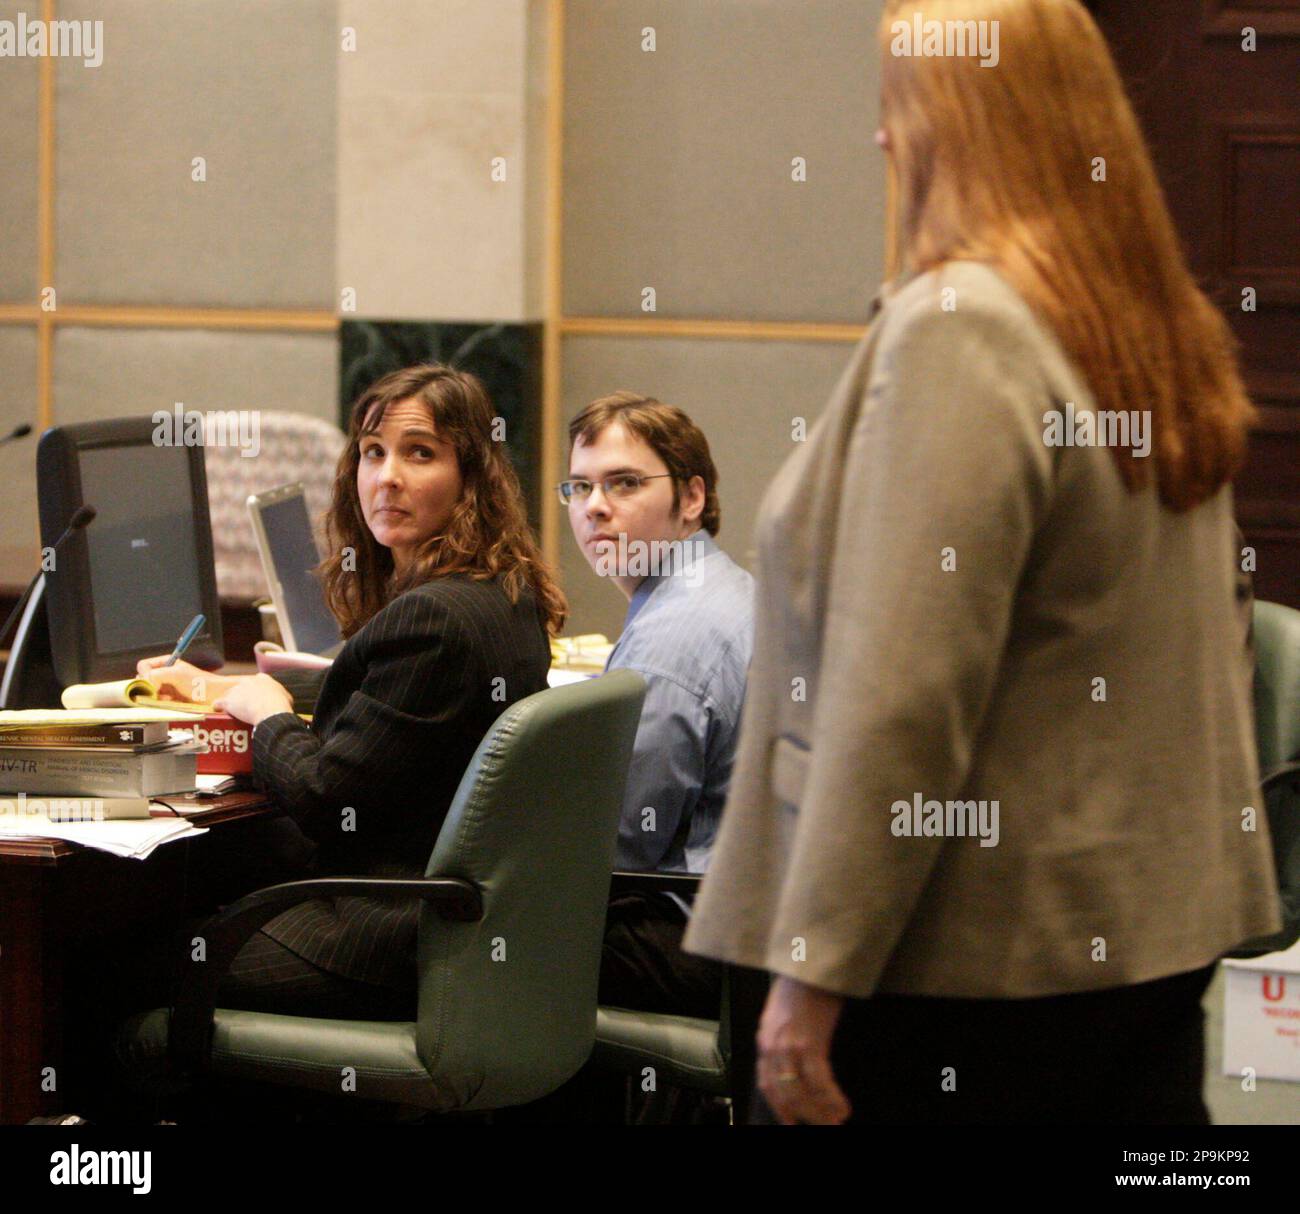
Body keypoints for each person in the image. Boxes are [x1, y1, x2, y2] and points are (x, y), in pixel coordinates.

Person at [683, 0, 1280, 1125]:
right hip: (1132, 938)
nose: (876, 139)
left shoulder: (962, 328)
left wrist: (815, 967)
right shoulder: (1143, 332)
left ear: (961, 124)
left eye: (893, 107)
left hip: (954, 962)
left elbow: (903, 688)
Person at [118, 364, 565, 1031]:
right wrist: (227, 688)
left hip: (377, 935)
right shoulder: (500, 594)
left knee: (106, 967)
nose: (387, 477)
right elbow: (398, 704)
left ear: (471, 476)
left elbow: (326, 801)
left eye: (420, 454)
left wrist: (269, 713)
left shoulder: (434, 618)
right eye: (373, 452)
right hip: (444, 917)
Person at [562, 393, 754, 1020]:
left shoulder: (672, 640)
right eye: (580, 487)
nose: (595, 507)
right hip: (753, 929)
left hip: (709, 950)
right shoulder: (717, 585)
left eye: (624, 484)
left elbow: (618, 849)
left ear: (691, 498)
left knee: (488, 941)